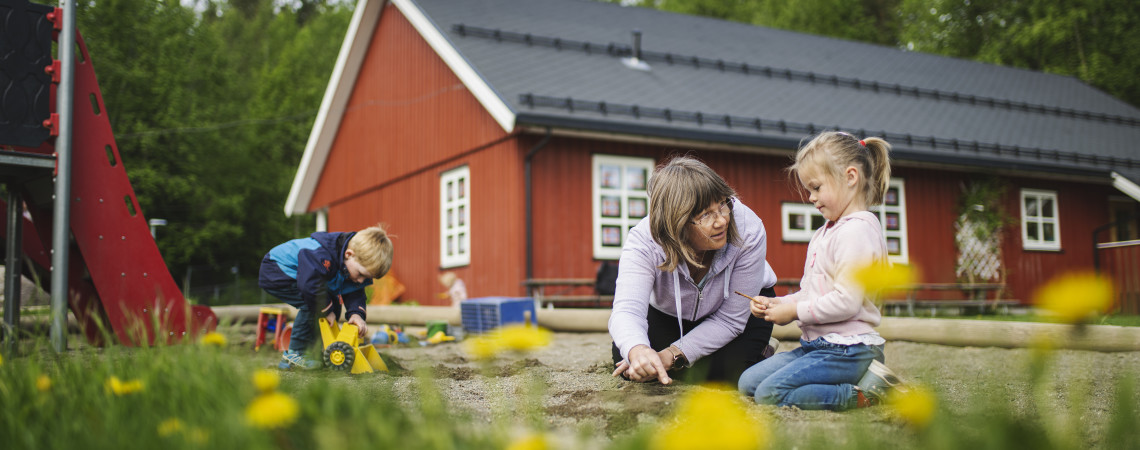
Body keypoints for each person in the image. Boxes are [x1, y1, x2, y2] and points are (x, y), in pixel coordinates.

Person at [737, 131, 903, 410]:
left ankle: (865, 394)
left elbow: (847, 301)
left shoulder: (858, 231)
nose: (811, 198)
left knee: (769, 394)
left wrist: (794, 313)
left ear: (851, 177)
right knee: (748, 383)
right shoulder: (824, 233)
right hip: (818, 346)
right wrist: (779, 303)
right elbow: (812, 293)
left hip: (848, 350)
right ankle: (844, 382)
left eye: (816, 187)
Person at [609, 155, 779, 385]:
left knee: (729, 376)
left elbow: (731, 320)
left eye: (722, 204)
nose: (721, 221)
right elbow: (627, 310)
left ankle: (759, 350)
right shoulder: (643, 241)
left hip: (738, 312)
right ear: (677, 224)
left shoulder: (749, 229)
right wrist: (638, 350)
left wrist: (670, 356)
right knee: (630, 361)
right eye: (705, 215)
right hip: (668, 314)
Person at [259, 224, 393, 370]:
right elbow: (310, 286)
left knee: (332, 304)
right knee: (312, 305)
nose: (361, 281)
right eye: (361, 274)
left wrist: (356, 313)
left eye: (366, 278)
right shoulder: (321, 254)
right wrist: (325, 310)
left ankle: (317, 351)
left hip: (306, 280)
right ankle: (294, 354)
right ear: (349, 254)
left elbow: (355, 290)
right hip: (277, 270)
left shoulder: (351, 263)